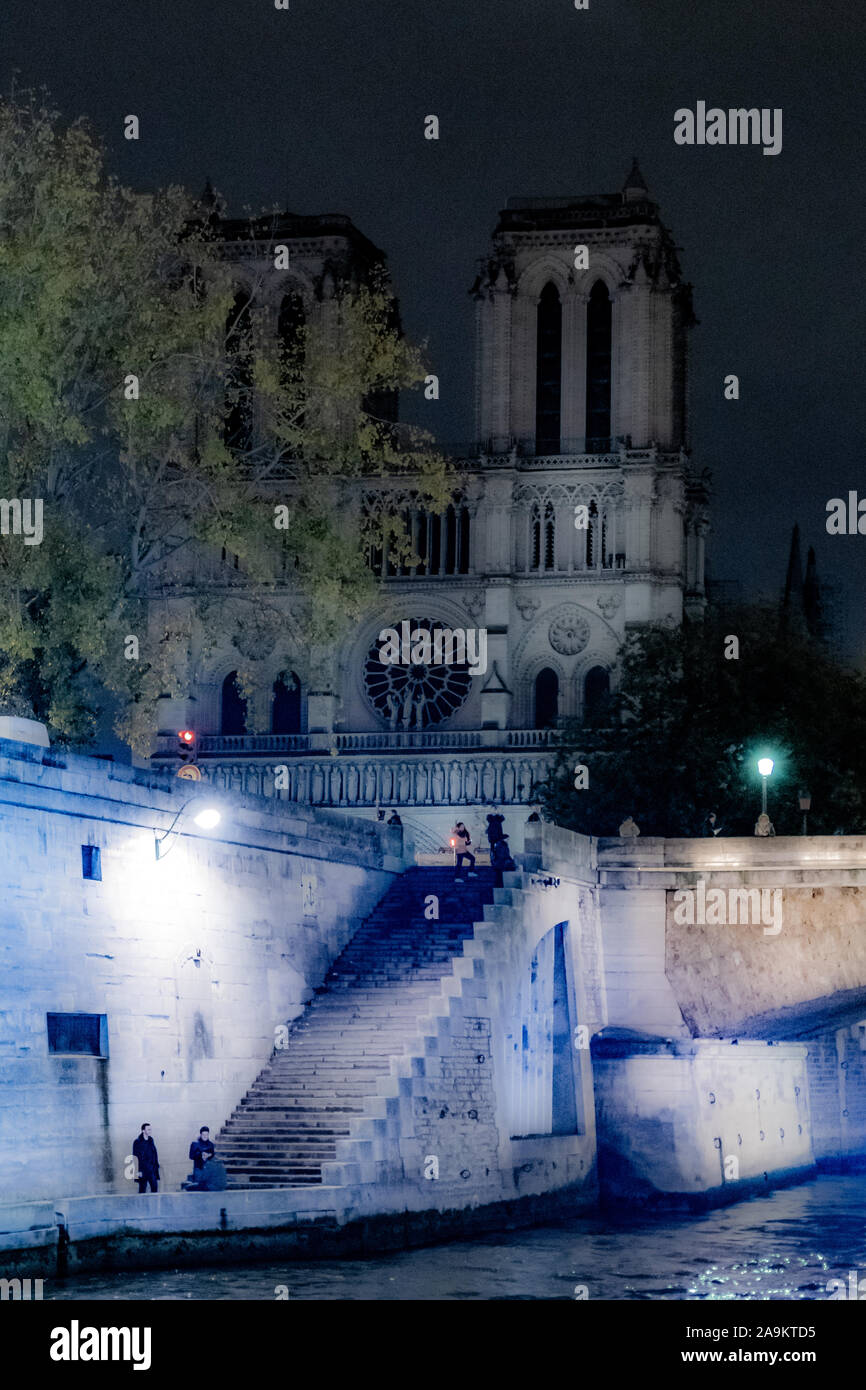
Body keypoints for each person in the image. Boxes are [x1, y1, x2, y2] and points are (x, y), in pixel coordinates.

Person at [133, 1123, 160, 1194]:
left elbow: (154, 1154)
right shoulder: (137, 1142)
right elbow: (135, 1157)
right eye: (148, 1130)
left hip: (152, 1170)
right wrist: (137, 1171)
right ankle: (141, 1204)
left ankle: (154, 1204)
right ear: (143, 1131)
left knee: (155, 1188)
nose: (150, 1131)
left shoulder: (151, 1140)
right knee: (142, 1190)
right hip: (143, 1170)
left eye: (151, 1129)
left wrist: (156, 1166)